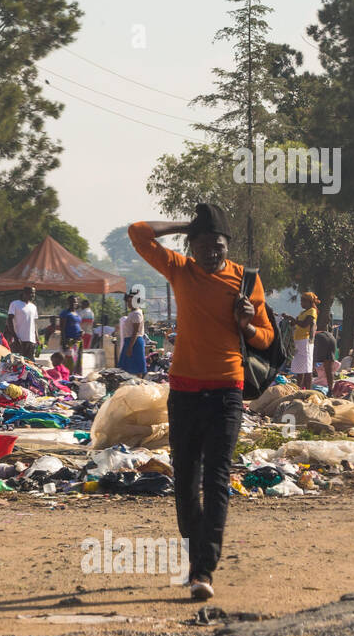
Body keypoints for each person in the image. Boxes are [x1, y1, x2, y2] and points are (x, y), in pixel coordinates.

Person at [130, 204, 274, 602]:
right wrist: (184, 224)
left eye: (220, 245)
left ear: (228, 247)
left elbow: (265, 339)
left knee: (217, 480)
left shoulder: (246, 280)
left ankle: (203, 570)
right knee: (185, 480)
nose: (213, 252)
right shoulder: (179, 269)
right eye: (204, 244)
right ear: (191, 246)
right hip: (184, 392)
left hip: (227, 390)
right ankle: (196, 551)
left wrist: (248, 322)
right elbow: (138, 232)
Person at [285, 292, 319, 389]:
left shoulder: (312, 311)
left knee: (307, 369)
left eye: (303, 301)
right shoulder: (302, 313)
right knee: (300, 368)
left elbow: (304, 324)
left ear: (309, 302)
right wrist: (289, 320)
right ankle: (299, 389)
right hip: (298, 341)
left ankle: (308, 390)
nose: (301, 303)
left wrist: (292, 318)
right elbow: (297, 324)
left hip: (306, 341)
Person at [117, 293, 147, 375]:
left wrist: (130, 347)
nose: (129, 304)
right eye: (128, 301)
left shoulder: (136, 314)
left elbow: (135, 332)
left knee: (136, 368)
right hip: (130, 341)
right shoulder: (133, 313)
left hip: (134, 342)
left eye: (131, 301)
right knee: (126, 367)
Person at [7, 287, 40, 358]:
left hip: (31, 340)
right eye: (31, 293)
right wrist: (15, 337)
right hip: (18, 340)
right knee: (17, 363)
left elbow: (34, 323)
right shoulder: (15, 304)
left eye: (34, 293)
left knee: (29, 365)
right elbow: (9, 320)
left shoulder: (33, 307)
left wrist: (37, 339)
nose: (33, 295)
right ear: (24, 293)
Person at [57, 295, 82, 371]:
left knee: (76, 361)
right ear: (68, 302)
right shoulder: (65, 313)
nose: (73, 303)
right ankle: (67, 377)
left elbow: (76, 325)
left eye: (75, 301)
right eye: (71, 301)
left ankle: (74, 376)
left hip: (77, 341)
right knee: (69, 361)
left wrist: (81, 331)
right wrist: (64, 342)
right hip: (68, 341)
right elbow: (62, 328)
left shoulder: (77, 314)